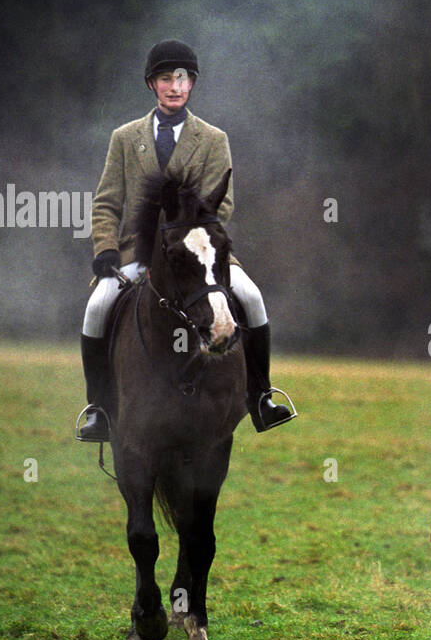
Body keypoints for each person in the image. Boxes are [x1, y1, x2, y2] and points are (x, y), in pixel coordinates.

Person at [76, 39, 294, 442]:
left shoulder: (213, 139)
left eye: (182, 78)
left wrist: (190, 241)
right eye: (165, 78)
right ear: (151, 84)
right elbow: (106, 202)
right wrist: (105, 248)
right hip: (136, 257)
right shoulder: (124, 138)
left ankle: (261, 396)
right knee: (97, 306)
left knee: (252, 297)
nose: (174, 86)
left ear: (191, 83)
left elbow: (220, 204)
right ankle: (100, 408)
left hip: (201, 255)